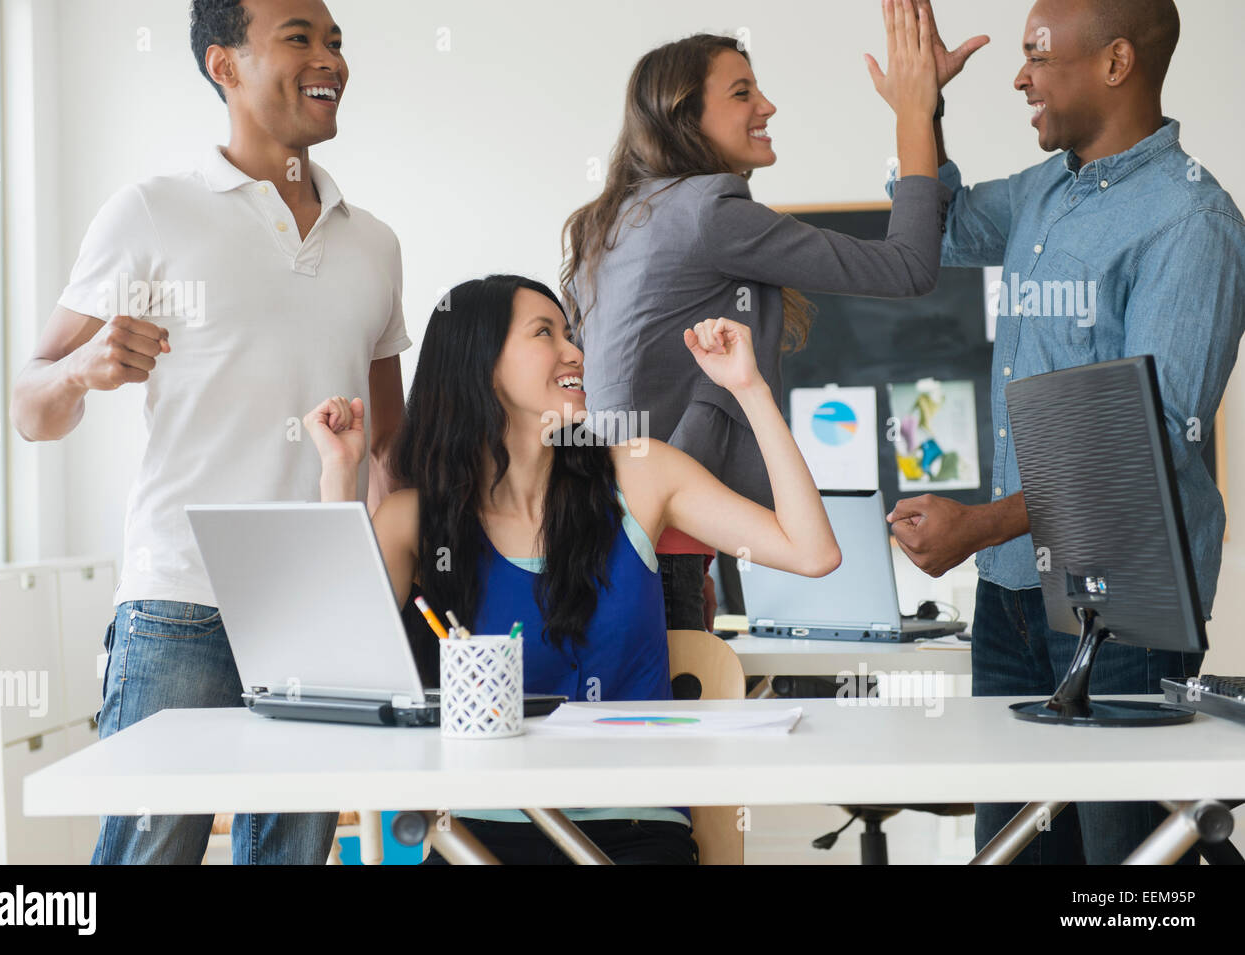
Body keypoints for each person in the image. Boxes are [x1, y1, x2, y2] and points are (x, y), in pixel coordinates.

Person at [8, 0, 411, 864]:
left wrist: (386, 599)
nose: (328, 59)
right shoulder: (151, 211)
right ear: (223, 65)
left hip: (316, 608)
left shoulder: (374, 243)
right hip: (180, 597)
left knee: (292, 859)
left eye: (335, 40)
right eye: (298, 37)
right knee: (150, 855)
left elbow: (390, 448)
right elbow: (29, 408)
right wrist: (84, 369)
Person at [304, 274, 841, 864]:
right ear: (480, 365)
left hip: (631, 828)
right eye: (544, 333)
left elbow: (811, 552)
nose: (575, 352)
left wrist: (750, 389)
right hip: (477, 831)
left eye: (570, 333)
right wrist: (340, 475)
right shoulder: (418, 518)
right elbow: (340, 664)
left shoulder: (639, 474)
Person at [886, 0, 1245, 864]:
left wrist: (977, 524)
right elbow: (936, 222)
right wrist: (918, 110)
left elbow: (1147, 442)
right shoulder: (1048, 190)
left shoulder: (1192, 224)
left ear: (1117, 63)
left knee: (1124, 879)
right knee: (1012, 849)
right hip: (1012, 592)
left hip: (1124, 609)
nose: (1018, 77)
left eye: (1037, 57)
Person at [561, 0, 950, 631]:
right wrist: (915, 110)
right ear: (685, 118)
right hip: (668, 545)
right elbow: (907, 267)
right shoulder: (710, 211)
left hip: (620, 533)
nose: (766, 107)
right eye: (743, 93)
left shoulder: (613, 220)